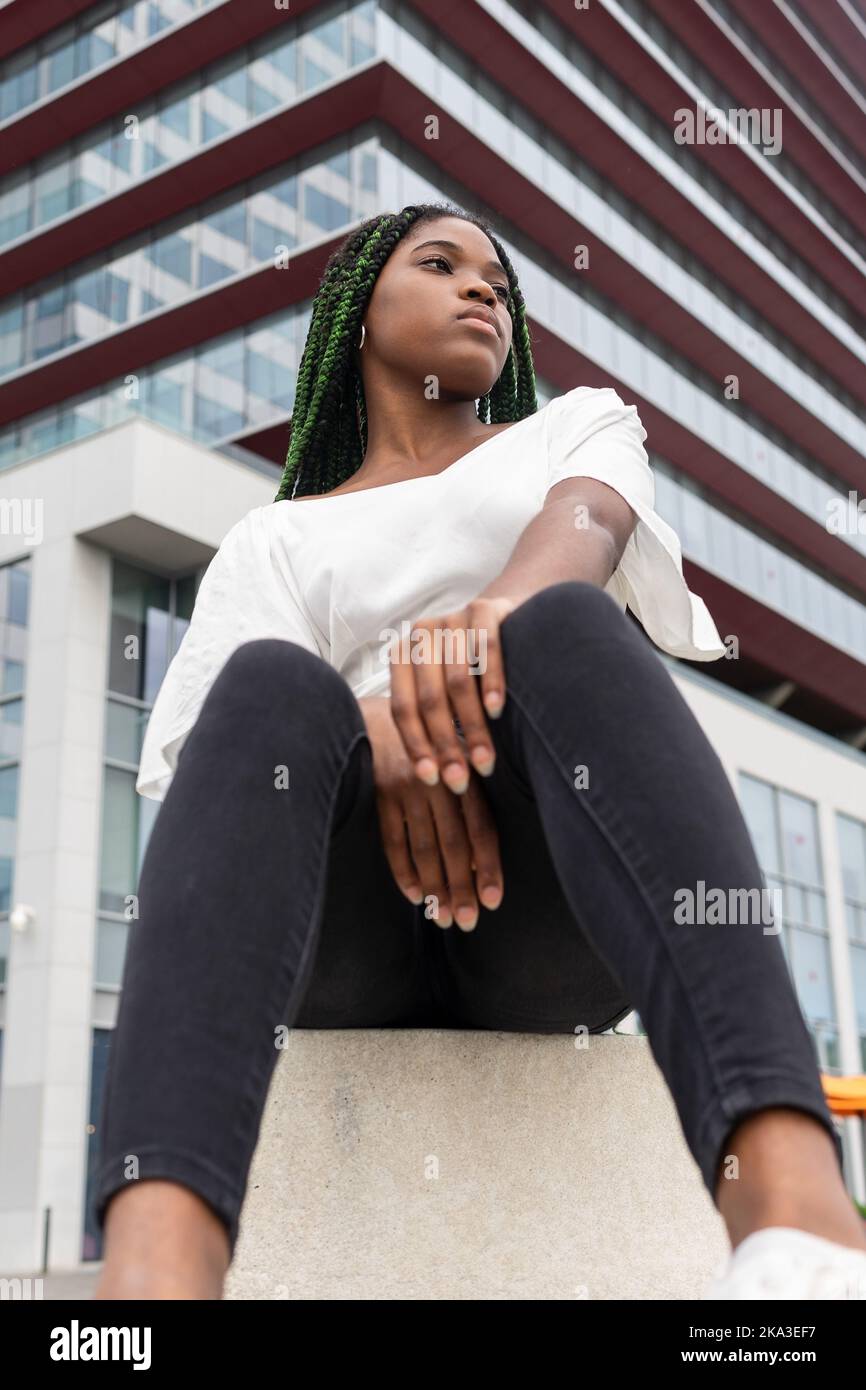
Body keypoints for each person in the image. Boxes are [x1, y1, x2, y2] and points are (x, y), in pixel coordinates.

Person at [92, 201, 866, 1300]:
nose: (481, 290)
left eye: (497, 282)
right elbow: (200, 768)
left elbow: (588, 530)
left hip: (540, 915)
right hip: (342, 928)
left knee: (562, 623)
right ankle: (152, 1289)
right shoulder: (278, 536)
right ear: (358, 316)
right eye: (441, 264)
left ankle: (797, 1223)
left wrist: (479, 628)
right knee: (267, 682)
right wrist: (391, 730)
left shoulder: (573, 425)